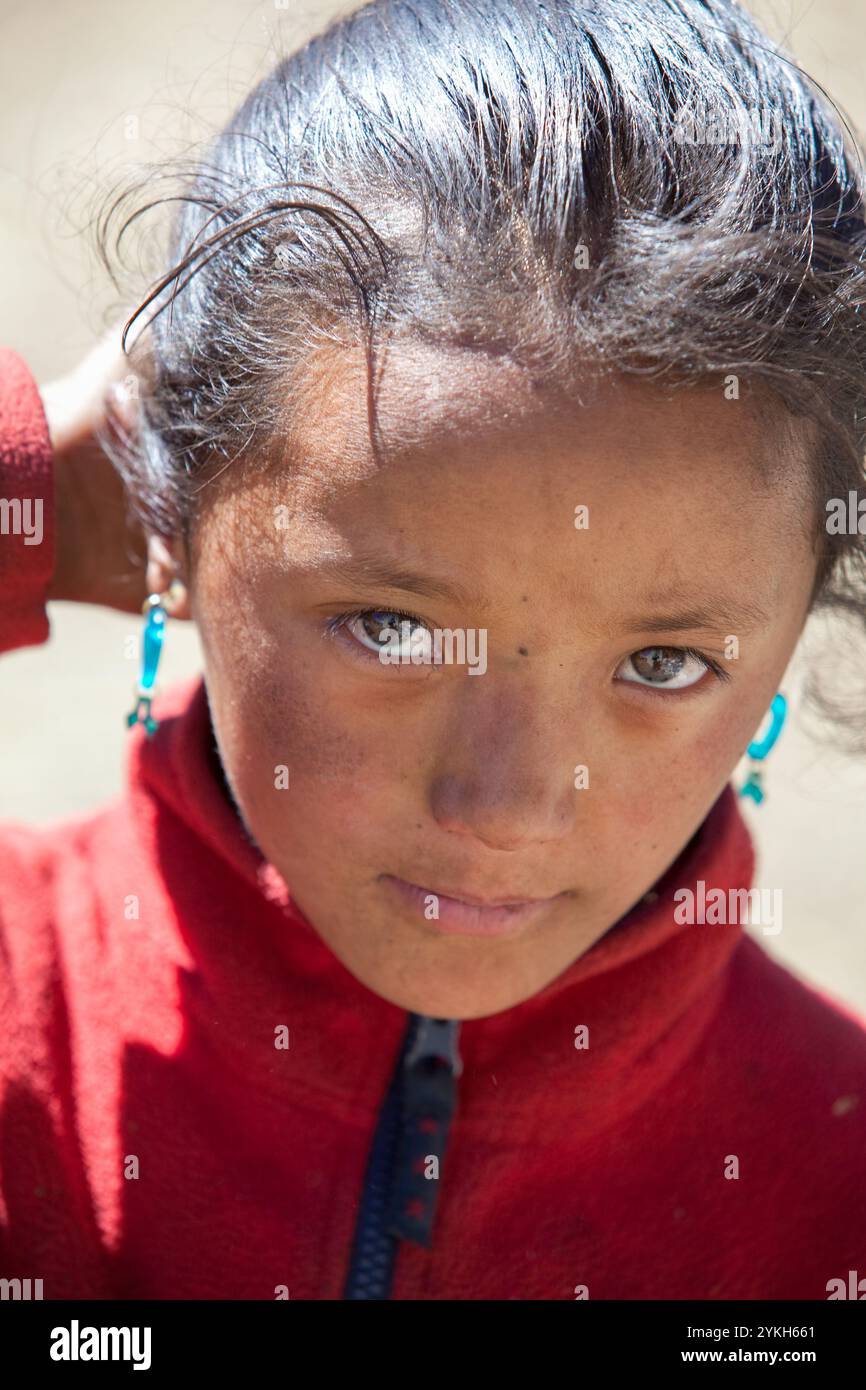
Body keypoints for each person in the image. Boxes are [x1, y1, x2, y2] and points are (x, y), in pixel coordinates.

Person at [1, 0, 865, 1300]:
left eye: (664, 663)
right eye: (392, 627)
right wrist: (31, 478)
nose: (504, 806)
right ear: (167, 520)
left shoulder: (831, 1181)